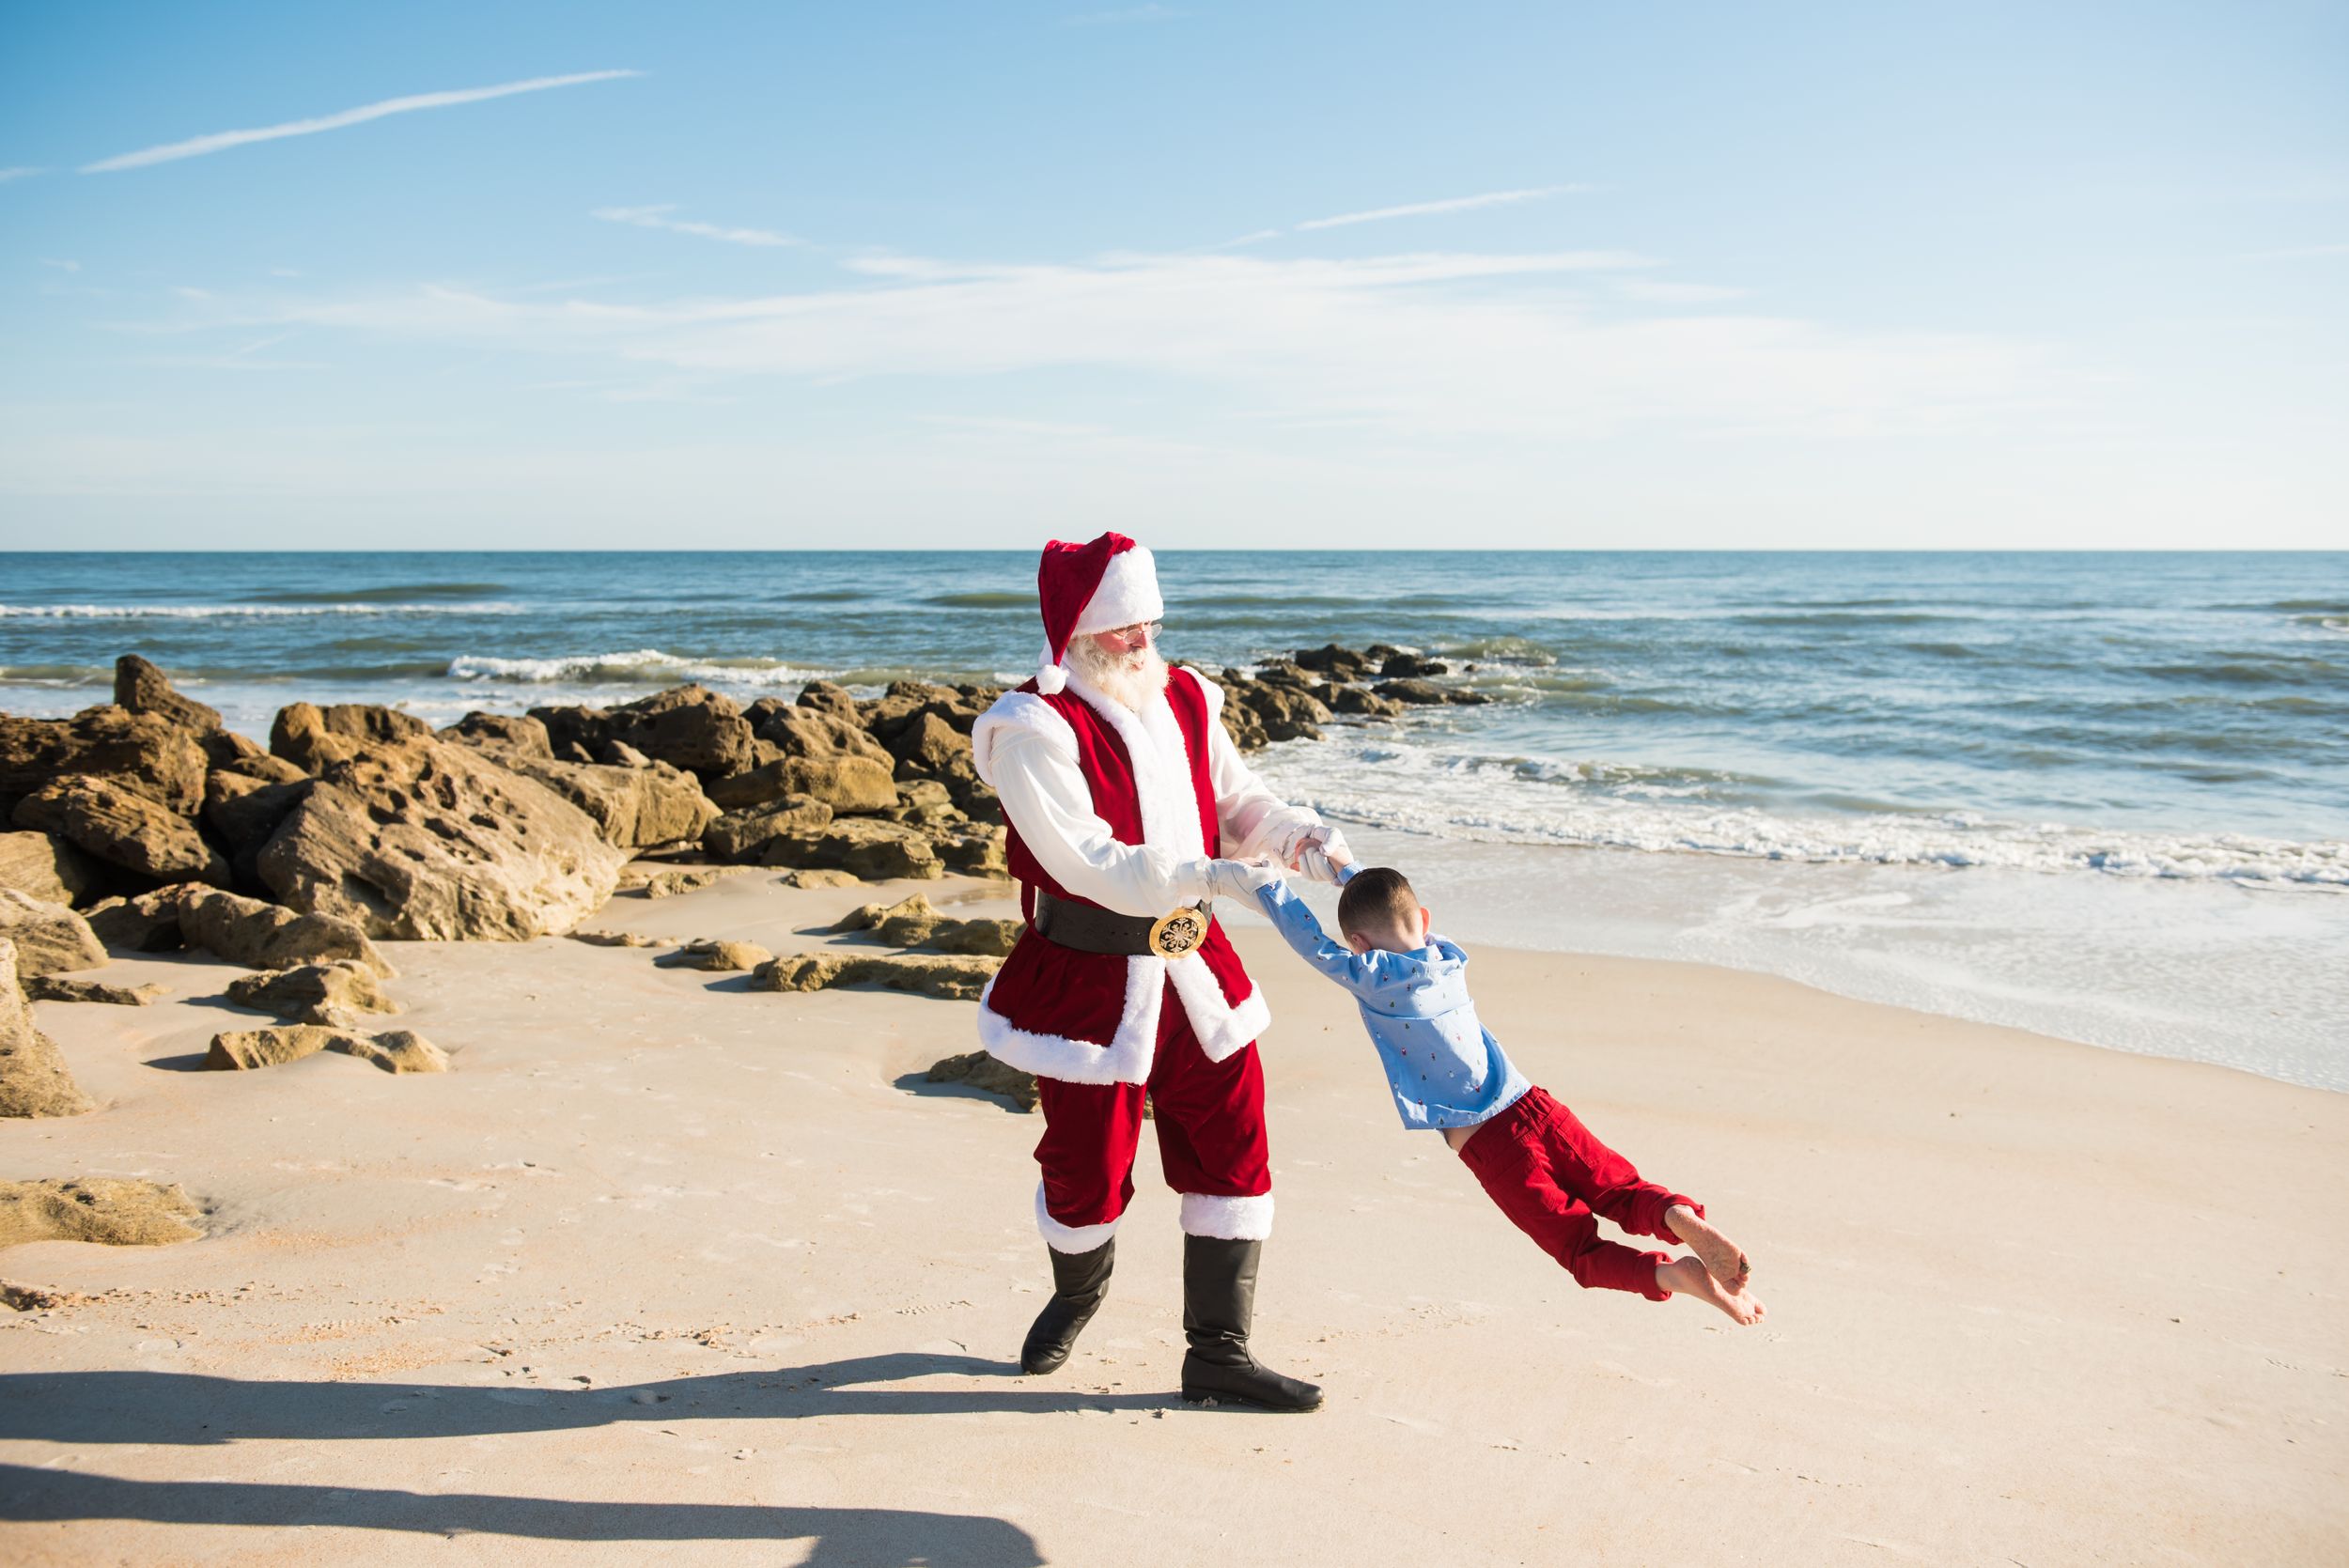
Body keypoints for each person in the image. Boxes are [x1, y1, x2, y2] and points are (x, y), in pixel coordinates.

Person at [968, 531, 1348, 1410]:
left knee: (1235, 1144)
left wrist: (1304, 842)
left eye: (1152, 622)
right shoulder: (1030, 728)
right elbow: (1086, 859)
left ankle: (1219, 1352)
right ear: (1080, 630)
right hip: (1092, 981)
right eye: (1125, 626)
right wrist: (1206, 874)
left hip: (1197, 966)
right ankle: (1078, 1291)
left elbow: (1236, 803)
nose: (1145, 640)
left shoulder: (1185, 696)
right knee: (1085, 1171)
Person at [1227, 856, 1766, 1324]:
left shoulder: (1372, 977)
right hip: (1538, 1106)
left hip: (1496, 1148)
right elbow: (1390, 903)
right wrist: (1345, 870)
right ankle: (1677, 1217)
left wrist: (1269, 886)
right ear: (1424, 921)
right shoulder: (1447, 957)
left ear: (1359, 945)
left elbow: (1312, 944)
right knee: (1621, 1190)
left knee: (1580, 1252)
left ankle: (1673, 1276)